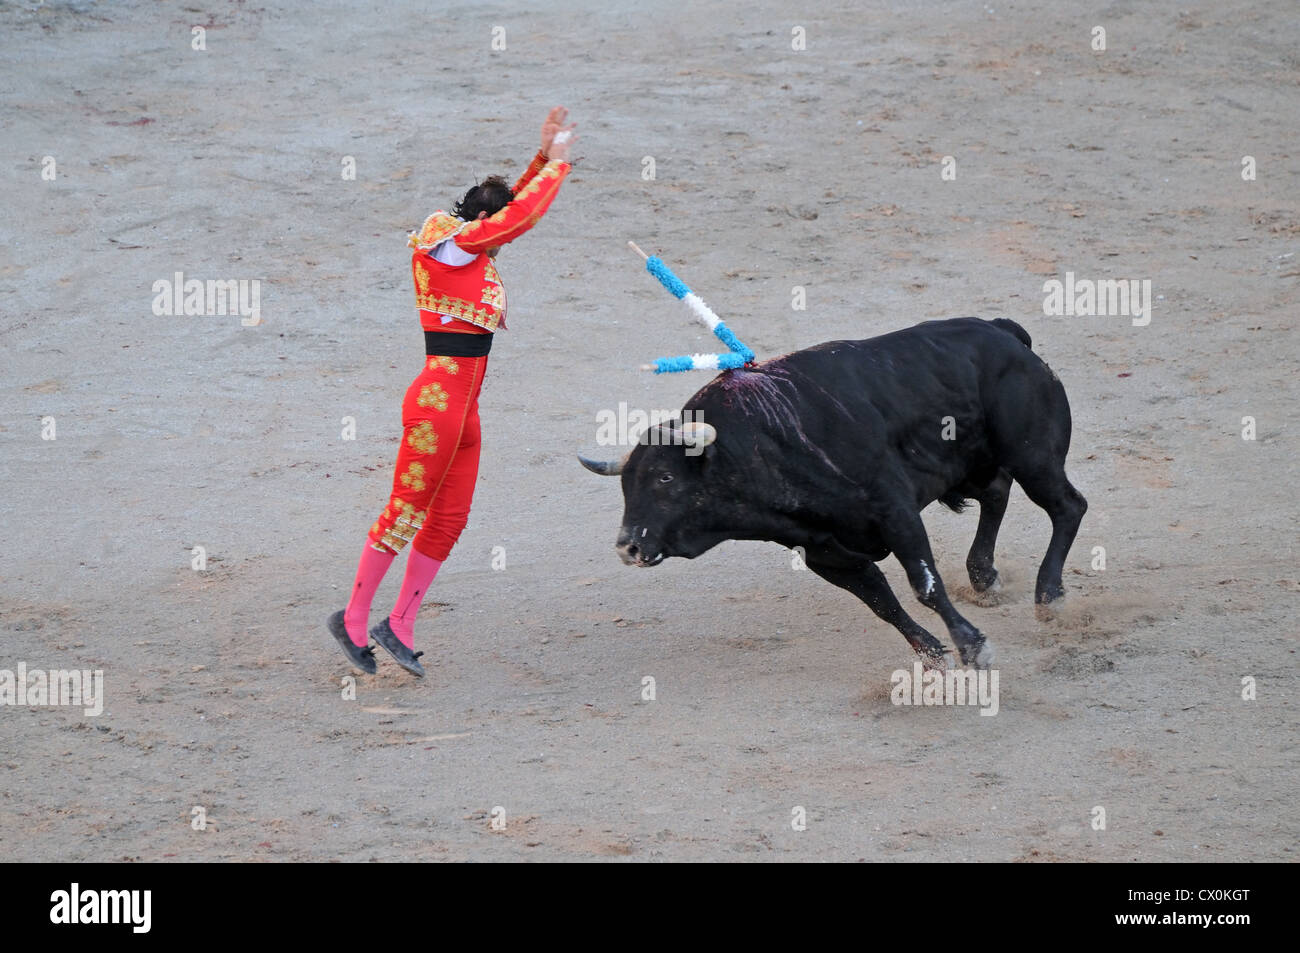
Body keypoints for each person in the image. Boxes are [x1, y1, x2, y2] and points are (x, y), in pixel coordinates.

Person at [329, 107, 578, 677]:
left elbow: (506, 212)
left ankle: (399, 624)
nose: (499, 247)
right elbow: (514, 220)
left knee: (450, 519)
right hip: (438, 405)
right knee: (406, 511)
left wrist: (542, 157)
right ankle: (352, 616)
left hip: (464, 413)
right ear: (480, 224)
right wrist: (558, 169)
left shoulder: (464, 241)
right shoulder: (451, 244)